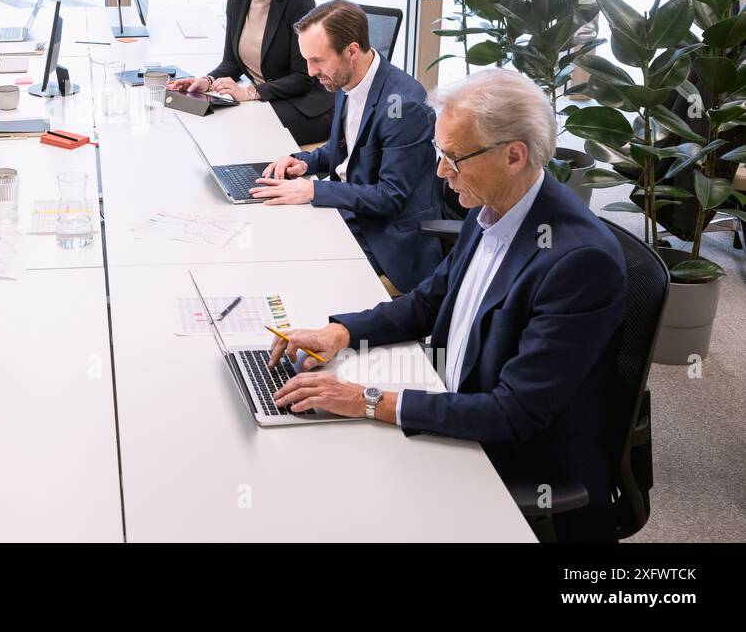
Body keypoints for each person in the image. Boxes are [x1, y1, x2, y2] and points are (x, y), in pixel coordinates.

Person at [268, 69, 627, 542]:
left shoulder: (579, 263)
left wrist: (367, 400)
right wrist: (341, 333)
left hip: (507, 454)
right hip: (449, 396)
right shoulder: (491, 206)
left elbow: (512, 414)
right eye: (441, 154)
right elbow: (429, 301)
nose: (440, 172)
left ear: (514, 155)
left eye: (454, 158)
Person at [251, 0, 443, 294]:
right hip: (351, 210)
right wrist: (305, 163)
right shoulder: (345, 79)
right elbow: (347, 150)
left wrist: (314, 190)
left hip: (387, 237)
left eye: (318, 60)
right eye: (307, 60)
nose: (311, 71)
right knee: (272, 235)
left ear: (351, 51)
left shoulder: (403, 106)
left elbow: (390, 197)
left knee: (302, 276)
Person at [167, 0, 332, 145]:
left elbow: (303, 78)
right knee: (194, 109)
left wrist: (252, 93)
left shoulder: (299, 2)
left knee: (234, 127)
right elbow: (232, 61)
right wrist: (208, 80)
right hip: (263, 99)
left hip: (303, 104)